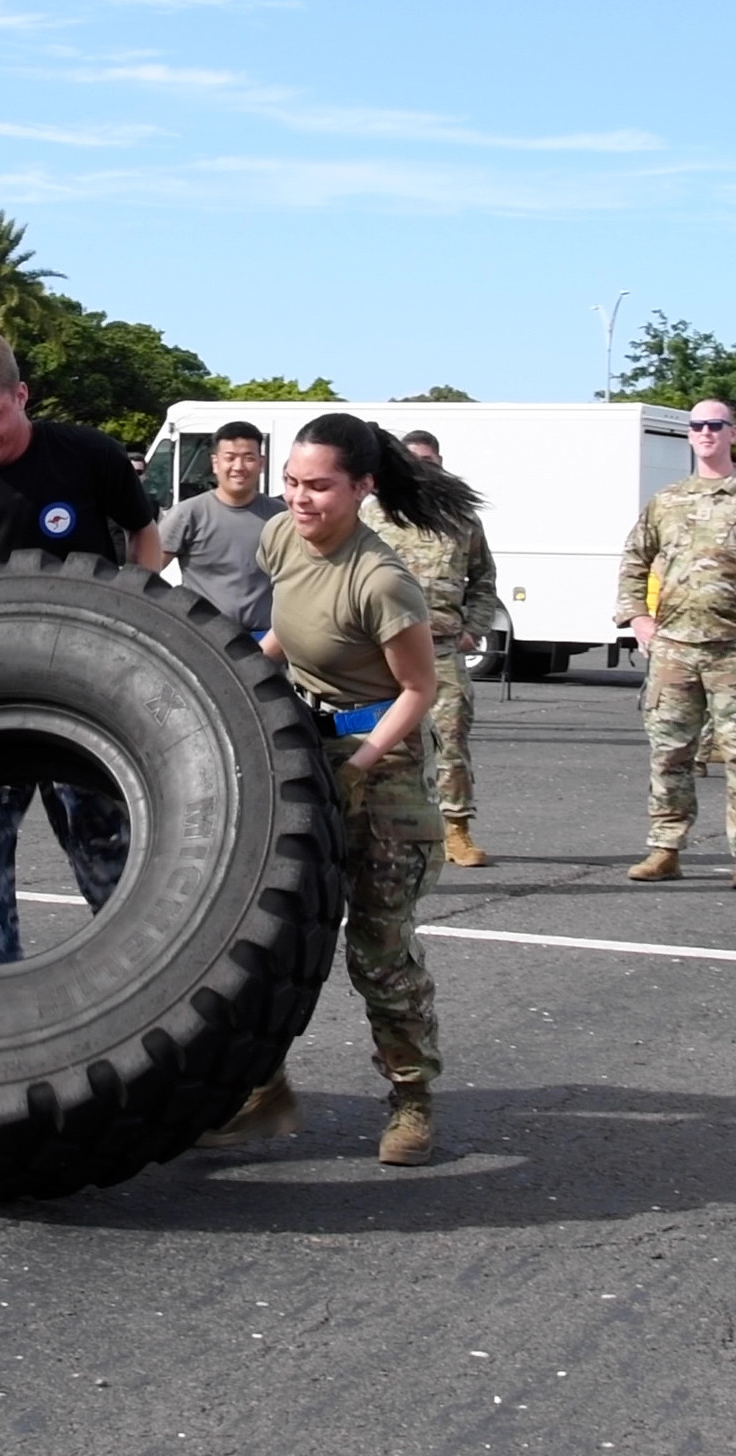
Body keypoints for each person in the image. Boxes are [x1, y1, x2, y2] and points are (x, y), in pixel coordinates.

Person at [197, 414, 481, 1166]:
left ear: (361, 487)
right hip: (302, 747)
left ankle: (412, 1099)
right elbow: (289, 629)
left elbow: (419, 691)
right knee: (264, 935)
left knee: (378, 949)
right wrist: (240, 678)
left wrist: (358, 768)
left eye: (318, 486)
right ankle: (263, 1090)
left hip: (378, 766)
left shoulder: (382, 579)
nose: (299, 498)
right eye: (290, 482)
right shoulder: (280, 538)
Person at [0, 327, 165, 963]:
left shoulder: (87, 454)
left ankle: (143, 979)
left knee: (108, 852)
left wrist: (142, 606)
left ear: (20, 395)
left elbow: (143, 531)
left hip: (89, 686)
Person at [612, 398, 736, 889]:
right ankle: (665, 848)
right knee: (670, 752)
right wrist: (636, 616)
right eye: (697, 425)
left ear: (733, 434)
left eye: (715, 425)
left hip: (734, 646)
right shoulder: (667, 500)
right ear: (689, 436)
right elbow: (634, 559)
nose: (705, 432)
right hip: (674, 648)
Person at [366, 430, 499, 867]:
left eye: (430, 461)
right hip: (384, 653)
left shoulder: (461, 519)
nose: (423, 468)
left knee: (451, 743)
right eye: (414, 460)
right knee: (382, 744)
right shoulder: (375, 516)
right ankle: (385, 830)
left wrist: (472, 628)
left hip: (442, 650)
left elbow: (483, 579)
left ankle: (456, 829)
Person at [155, 420, 284, 633]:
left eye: (249, 458)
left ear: (262, 463)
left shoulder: (281, 516)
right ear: (215, 463)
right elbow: (148, 571)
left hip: (267, 638)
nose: (239, 467)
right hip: (205, 639)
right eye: (230, 458)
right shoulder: (187, 514)